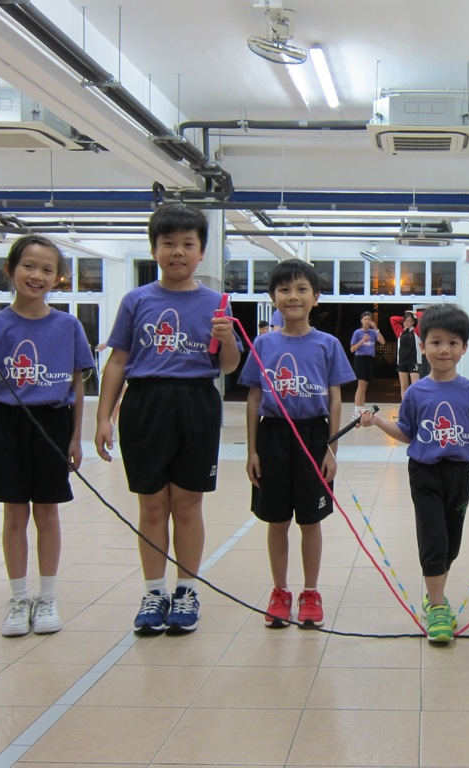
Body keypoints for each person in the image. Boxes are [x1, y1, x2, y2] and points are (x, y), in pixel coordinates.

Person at [94, 202, 241, 635]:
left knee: (188, 505)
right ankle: (154, 591)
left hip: (196, 403)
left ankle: (186, 591)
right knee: (152, 504)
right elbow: (118, 362)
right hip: (145, 404)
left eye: (187, 244)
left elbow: (228, 367)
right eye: (167, 243)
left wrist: (227, 338)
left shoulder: (216, 302)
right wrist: (103, 417)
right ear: (154, 249)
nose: (177, 252)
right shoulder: (136, 300)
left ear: (201, 253)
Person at [359, 304, 469, 643]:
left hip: (461, 473)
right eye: (435, 342)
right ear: (422, 346)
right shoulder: (417, 391)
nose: (444, 349)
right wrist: (376, 420)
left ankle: (436, 595)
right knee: (434, 538)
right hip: (424, 472)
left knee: (451, 542)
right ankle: (437, 607)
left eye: (452, 343)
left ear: (464, 348)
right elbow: (407, 433)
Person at [0, 234, 95, 637]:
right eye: (29, 266)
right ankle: (18, 598)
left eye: (47, 269)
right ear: (10, 270)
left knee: (47, 512)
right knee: (14, 513)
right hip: (7, 424)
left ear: (59, 278)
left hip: (52, 423)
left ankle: (47, 596)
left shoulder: (68, 326)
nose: (36, 275)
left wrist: (75, 438)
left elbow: (77, 384)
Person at [239, 259, 356, 629]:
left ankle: (310, 592)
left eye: (302, 289)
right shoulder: (263, 342)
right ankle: (279, 592)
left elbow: (336, 399)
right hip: (273, 435)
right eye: (285, 289)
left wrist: (331, 449)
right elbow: (254, 398)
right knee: (276, 520)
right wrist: (252, 450)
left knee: (310, 520)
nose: (293, 296)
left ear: (316, 297)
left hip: (313, 434)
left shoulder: (328, 344)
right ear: (273, 297)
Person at [349, 311, 385, 418]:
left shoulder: (373, 332)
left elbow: (382, 342)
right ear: (361, 321)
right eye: (365, 319)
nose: (367, 321)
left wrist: (376, 328)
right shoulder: (357, 333)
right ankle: (356, 411)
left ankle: (361, 409)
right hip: (360, 358)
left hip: (369, 359)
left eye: (369, 319)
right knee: (360, 385)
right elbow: (352, 349)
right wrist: (362, 340)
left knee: (365, 386)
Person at [390, 310, 422, 400]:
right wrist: (404, 318)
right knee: (403, 386)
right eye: (405, 321)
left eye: (409, 321)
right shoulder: (400, 332)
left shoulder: (416, 332)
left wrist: (413, 313)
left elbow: (423, 317)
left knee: (415, 386)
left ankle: (416, 406)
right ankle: (405, 406)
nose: (407, 323)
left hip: (413, 361)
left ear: (413, 322)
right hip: (402, 362)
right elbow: (392, 319)